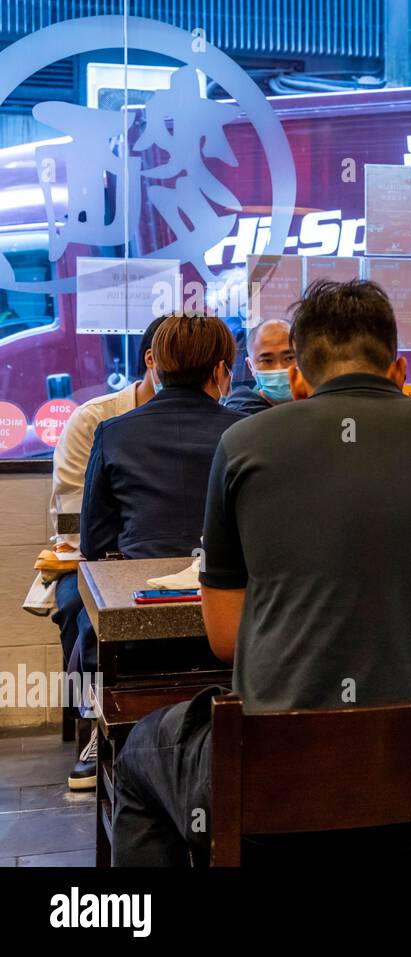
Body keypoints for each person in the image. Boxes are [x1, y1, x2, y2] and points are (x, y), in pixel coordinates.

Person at [111, 280, 411, 866]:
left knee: (143, 751)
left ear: (297, 376)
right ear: (399, 369)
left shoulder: (243, 444)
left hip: (271, 798)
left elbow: (227, 638)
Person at [70, 314, 245, 791]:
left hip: (139, 632)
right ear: (220, 372)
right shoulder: (248, 434)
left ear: (157, 367)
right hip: (228, 628)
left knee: (85, 624)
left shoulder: (112, 432)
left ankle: (101, 738)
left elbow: (95, 545)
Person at [49, 315, 162, 791]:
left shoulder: (214, 421)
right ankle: (97, 724)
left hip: (177, 561)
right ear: (153, 362)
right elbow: (72, 523)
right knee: (80, 605)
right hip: (98, 560)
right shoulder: (96, 419)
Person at [223, 318, 294, 414]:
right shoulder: (238, 415)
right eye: (267, 361)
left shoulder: (317, 408)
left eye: (289, 358)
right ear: (250, 366)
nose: (279, 368)